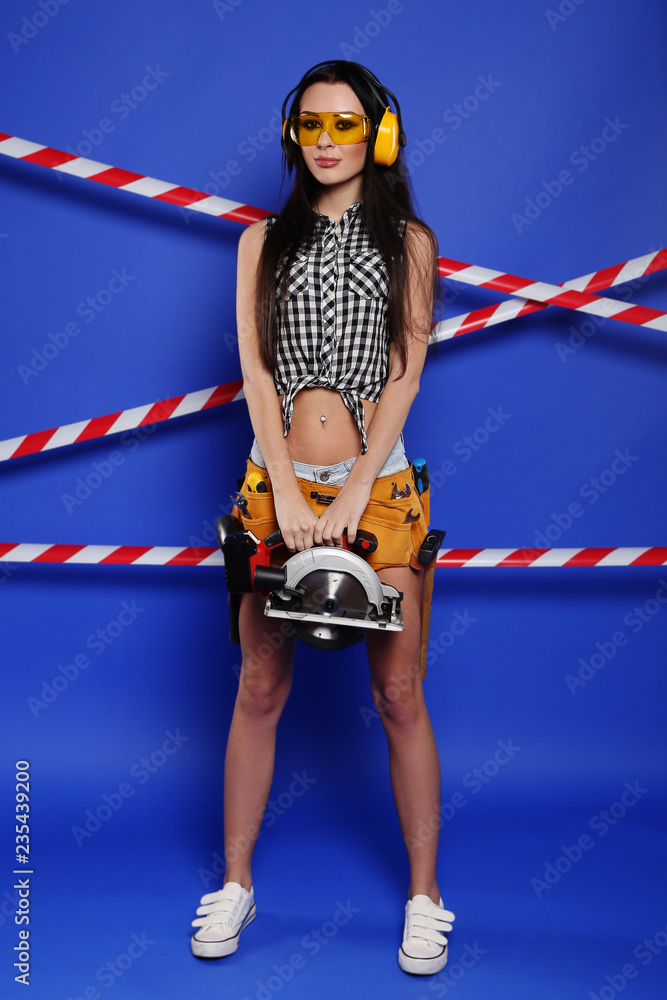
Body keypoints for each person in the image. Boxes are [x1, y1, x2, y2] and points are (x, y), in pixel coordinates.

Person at [190, 59, 455, 976]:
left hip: (376, 490)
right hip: (276, 487)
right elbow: (258, 378)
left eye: (347, 125)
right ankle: (235, 884)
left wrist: (346, 494)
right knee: (259, 684)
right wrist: (295, 495)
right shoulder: (260, 242)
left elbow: (403, 376)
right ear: (292, 135)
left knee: (397, 692)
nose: (328, 141)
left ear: (378, 136)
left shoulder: (410, 242)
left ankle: (425, 897)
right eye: (312, 125)